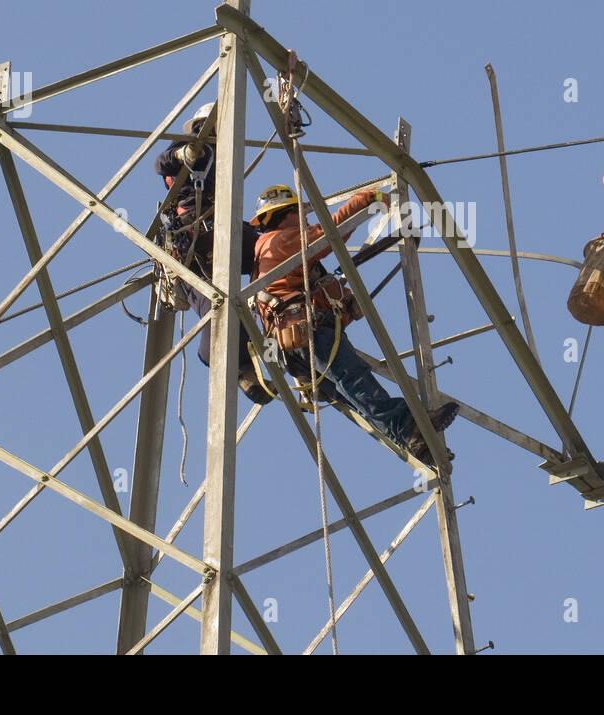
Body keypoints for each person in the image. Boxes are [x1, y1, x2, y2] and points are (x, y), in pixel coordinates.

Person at [249, 183, 459, 466]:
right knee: (354, 379)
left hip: (295, 345)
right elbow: (329, 232)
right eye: (301, 214)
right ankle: (407, 427)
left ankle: (415, 441)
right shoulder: (278, 242)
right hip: (306, 335)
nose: (306, 220)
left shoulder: (277, 258)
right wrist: (367, 200)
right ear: (286, 215)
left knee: (353, 395)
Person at [154, 102, 270, 405]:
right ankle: (240, 368)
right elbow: (162, 163)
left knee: (271, 253)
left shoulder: (223, 153)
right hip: (195, 234)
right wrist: (185, 154)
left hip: (221, 227)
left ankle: (282, 324)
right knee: (215, 302)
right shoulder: (193, 146)